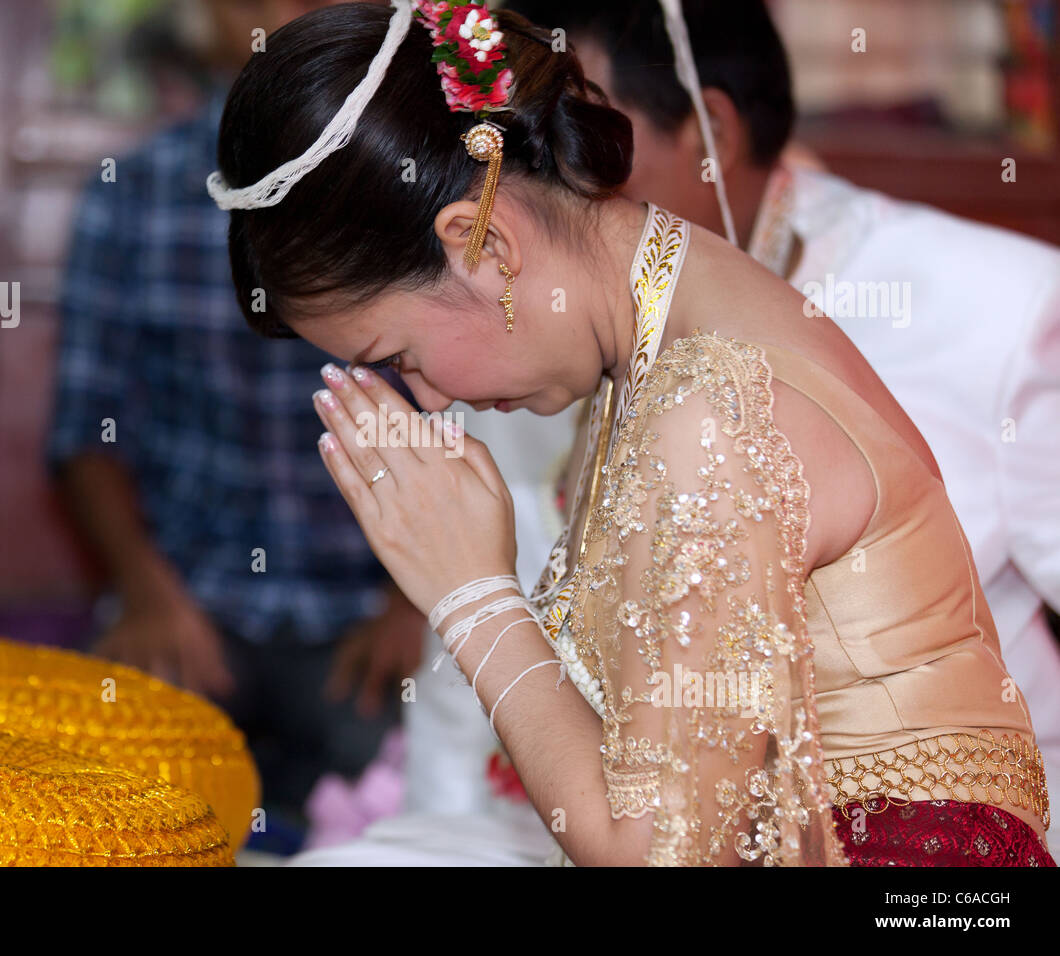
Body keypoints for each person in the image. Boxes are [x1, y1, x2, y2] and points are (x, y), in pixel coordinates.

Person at [205, 0, 1053, 865]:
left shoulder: (710, 410)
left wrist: (471, 599)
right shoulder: (661, 339)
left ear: (484, 244)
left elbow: (664, 853)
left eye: (400, 356)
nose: (423, 400)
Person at [508, 0, 1060, 850]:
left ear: (712, 129)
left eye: (577, 141)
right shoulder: (538, 335)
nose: (545, 187)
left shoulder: (996, 303)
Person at [46, 0, 424, 844]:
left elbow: (459, 403)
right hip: (191, 604)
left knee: (419, 802)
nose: (275, 16)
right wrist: (145, 593)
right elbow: (83, 430)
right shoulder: (131, 191)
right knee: (107, 802)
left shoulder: (398, 178)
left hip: (360, 617)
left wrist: (416, 603)